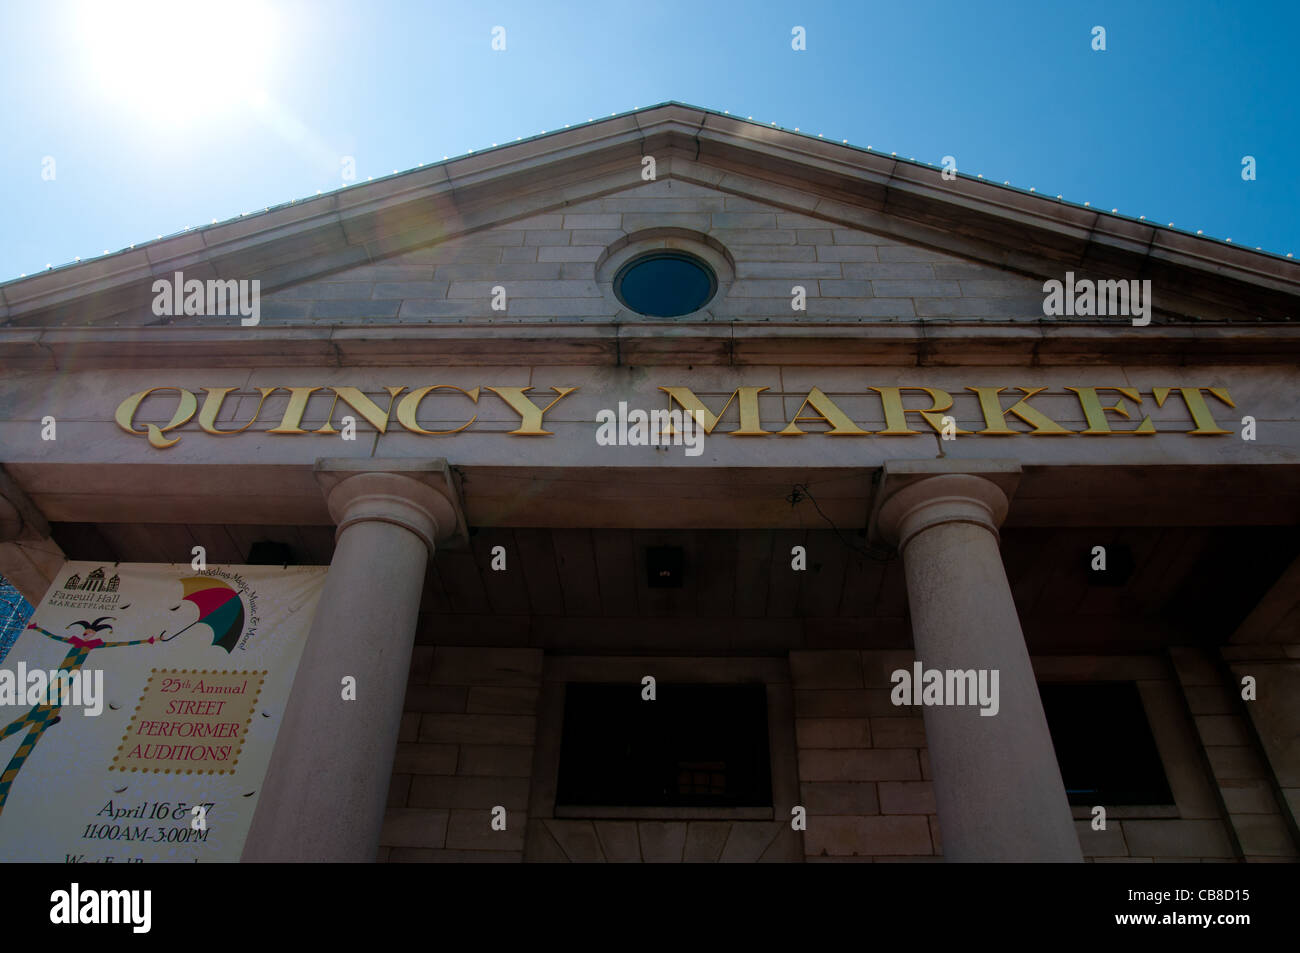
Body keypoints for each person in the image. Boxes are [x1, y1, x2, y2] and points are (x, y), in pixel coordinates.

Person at [0, 617, 155, 816]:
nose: (87, 634)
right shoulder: (75, 642)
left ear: (94, 634)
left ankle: (4, 790)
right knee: (24, 729)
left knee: (25, 747)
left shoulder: (92, 645)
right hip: (51, 697)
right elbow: (54, 636)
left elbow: (120, 643)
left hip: (56, 700)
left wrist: (149, 640)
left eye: (90, 633)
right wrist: (36, 628)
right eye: (86, 632)